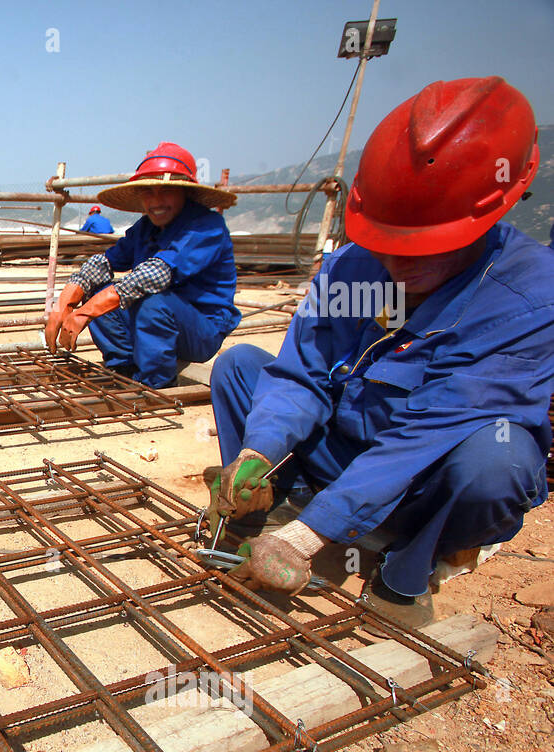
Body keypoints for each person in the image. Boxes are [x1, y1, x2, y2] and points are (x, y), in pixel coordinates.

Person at [205, 76, 553, 629]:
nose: (399, 266)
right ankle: (276, 496)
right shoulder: (354, 266)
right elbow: (303, 375)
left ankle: (405, 568)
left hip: (421, 482)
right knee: (241, 367)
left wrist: (306, 538)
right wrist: (261, 451)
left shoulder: (529, 298)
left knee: (498, 459)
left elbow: (422, 438)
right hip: (343, 451)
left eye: (424, 249)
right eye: (387, 245)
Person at [44, 142, 241, 388]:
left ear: (185, 193)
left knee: (150, 301)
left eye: (165, 191)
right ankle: (122, 367)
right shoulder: (146, 227)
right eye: (148, 191)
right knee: (97, 292)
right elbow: (104, 262)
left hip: (200, 331)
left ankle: (155, 383)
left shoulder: (206, 226)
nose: (156, 200)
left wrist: (84, 313)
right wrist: (65, 302)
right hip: (155, 323)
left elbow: (152, 276)